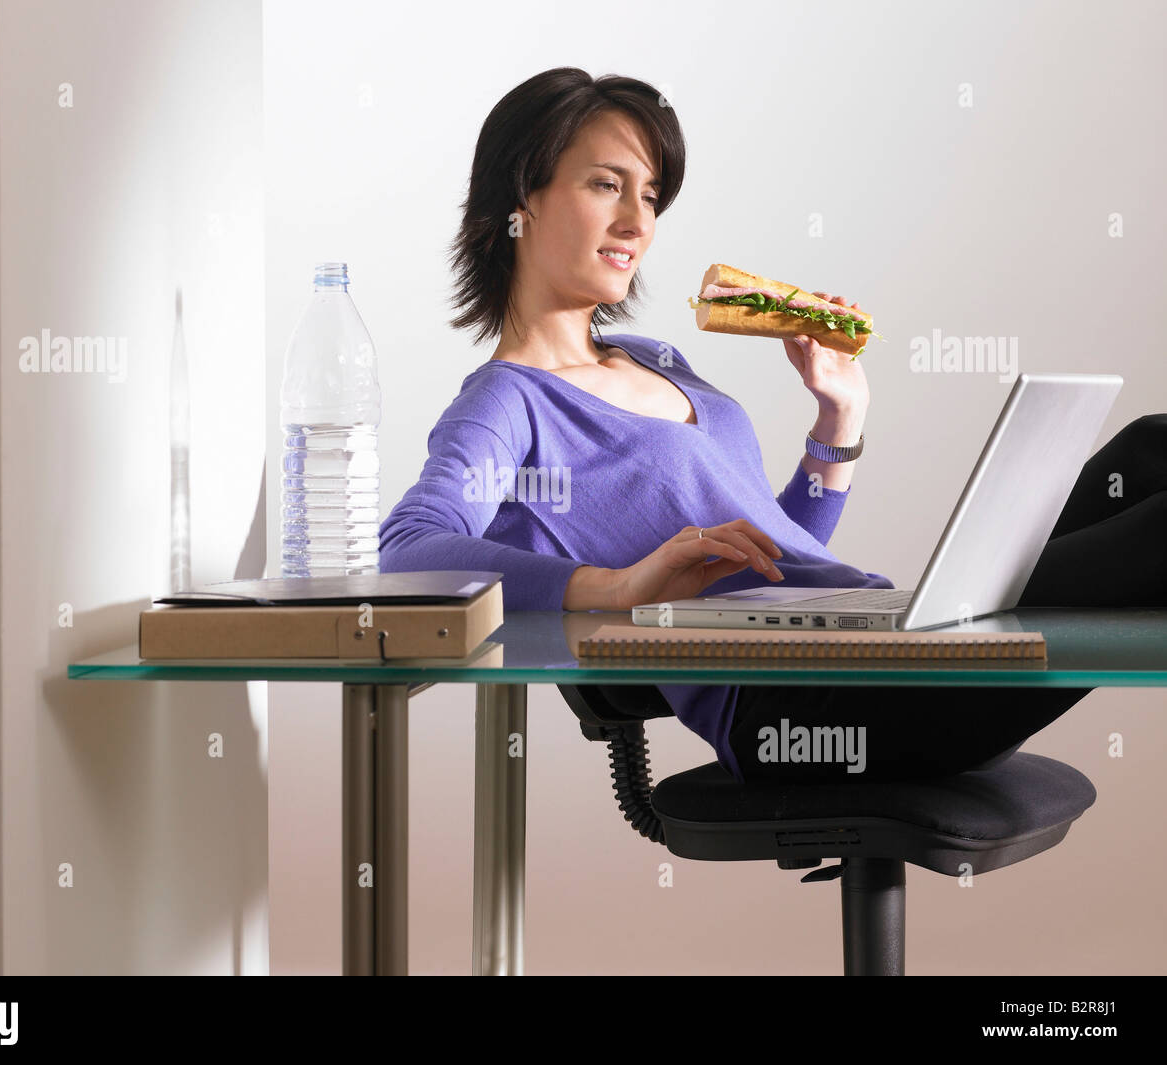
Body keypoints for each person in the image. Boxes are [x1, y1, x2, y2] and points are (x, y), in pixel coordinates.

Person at [378, 67, 1166, 784]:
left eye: (649, 196)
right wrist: (612, 589)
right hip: (795, 704)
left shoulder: (659, 358)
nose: (636, 221)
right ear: (520, 203)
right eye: (605, 185)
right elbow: (407, 550)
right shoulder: (510, 401)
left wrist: (837, 421)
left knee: (1151, 447)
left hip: (858, 638)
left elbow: (769, 557)